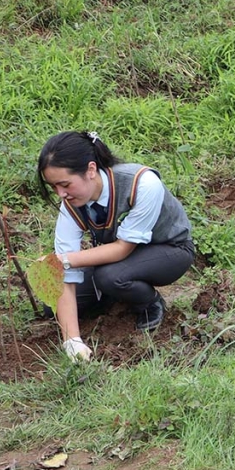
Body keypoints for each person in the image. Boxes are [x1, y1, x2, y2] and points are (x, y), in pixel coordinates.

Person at [37, 131, 195, 361]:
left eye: (65, 184)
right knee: (53, 306)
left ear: (91, 170)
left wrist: (63, 260)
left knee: (109, 277)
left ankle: (150, 302)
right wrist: (72, 340)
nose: (61, 194)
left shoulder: (142, 184)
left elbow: (122, 249)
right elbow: (65, 275)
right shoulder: (70, 206)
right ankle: (116, 296)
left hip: (171, 250)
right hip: (119, 258)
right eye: (53, 187)